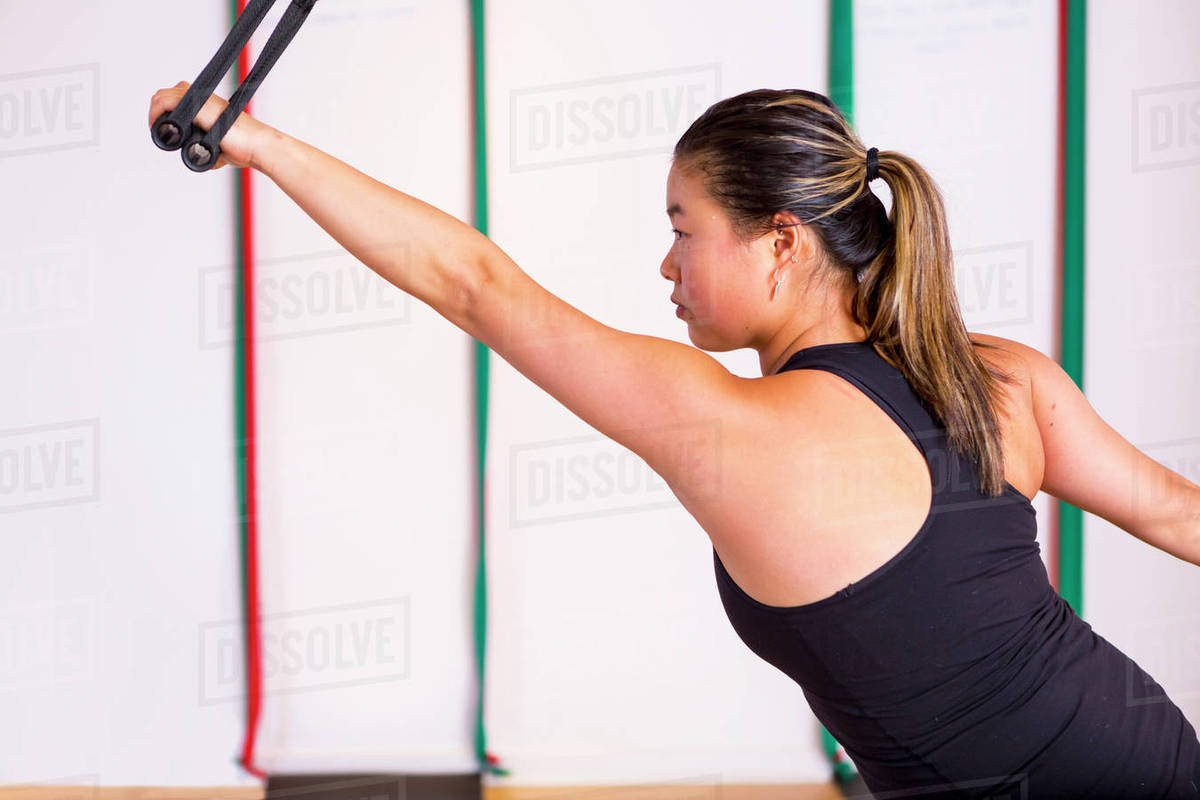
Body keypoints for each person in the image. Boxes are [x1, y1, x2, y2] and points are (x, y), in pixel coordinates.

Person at [148, 83, 1200, 797]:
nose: (667, 266)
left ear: (781, 243)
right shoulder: (998, 373)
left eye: (683, 229)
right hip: (1152, 752)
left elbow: (474, 285)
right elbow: (1173, 512)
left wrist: (259, 144)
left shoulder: (732, 425)